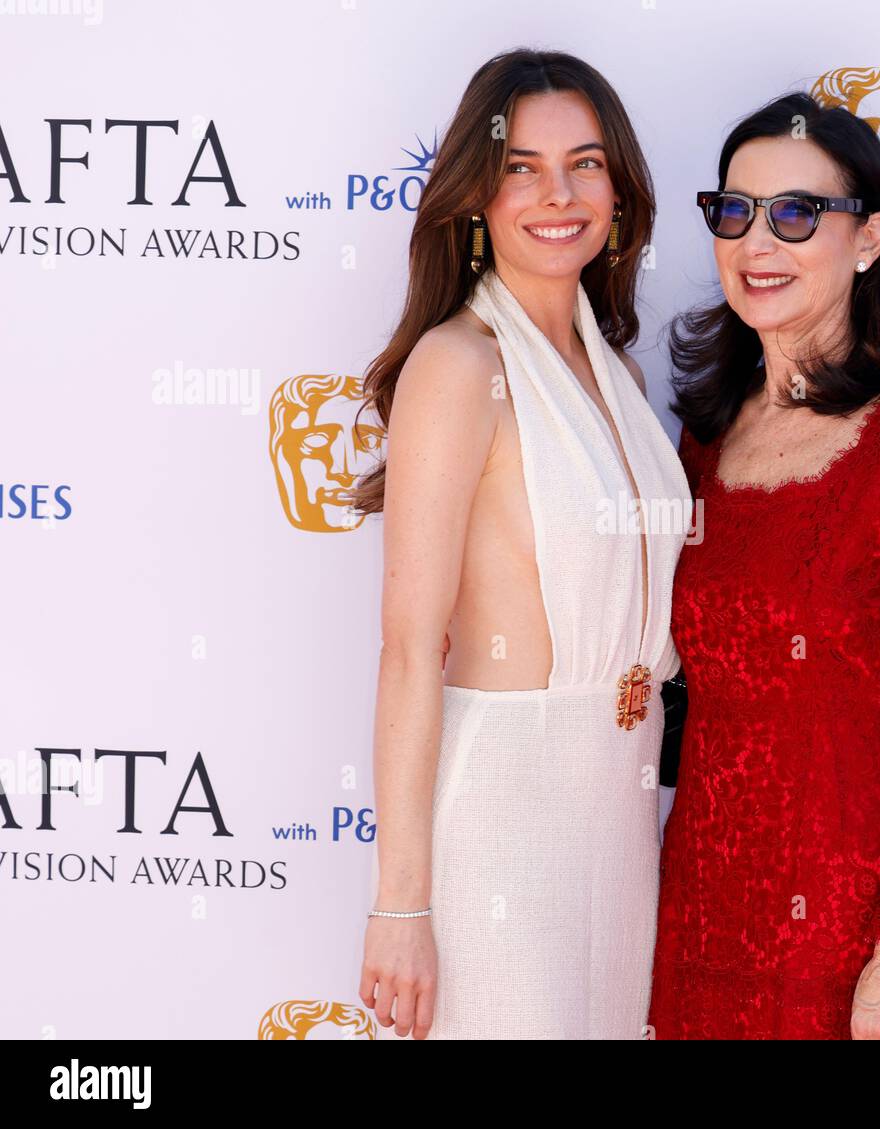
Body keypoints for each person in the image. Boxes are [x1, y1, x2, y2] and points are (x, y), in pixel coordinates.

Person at [350, 49, 690, 1040]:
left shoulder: (614, 369)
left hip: (621, 815)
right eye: (520, 168)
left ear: (619, 189)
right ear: (475, 195)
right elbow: (412, 648)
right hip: (501, 808)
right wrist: (402, 902)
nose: (558, 193)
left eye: (585, 163)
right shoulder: (458, 364)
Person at [647, 92, 880, 1040]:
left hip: (838, 934)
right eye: (736, 211)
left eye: (797, 214)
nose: (757, 242)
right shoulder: (704, 437)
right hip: (690, 903)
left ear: (871, 238)